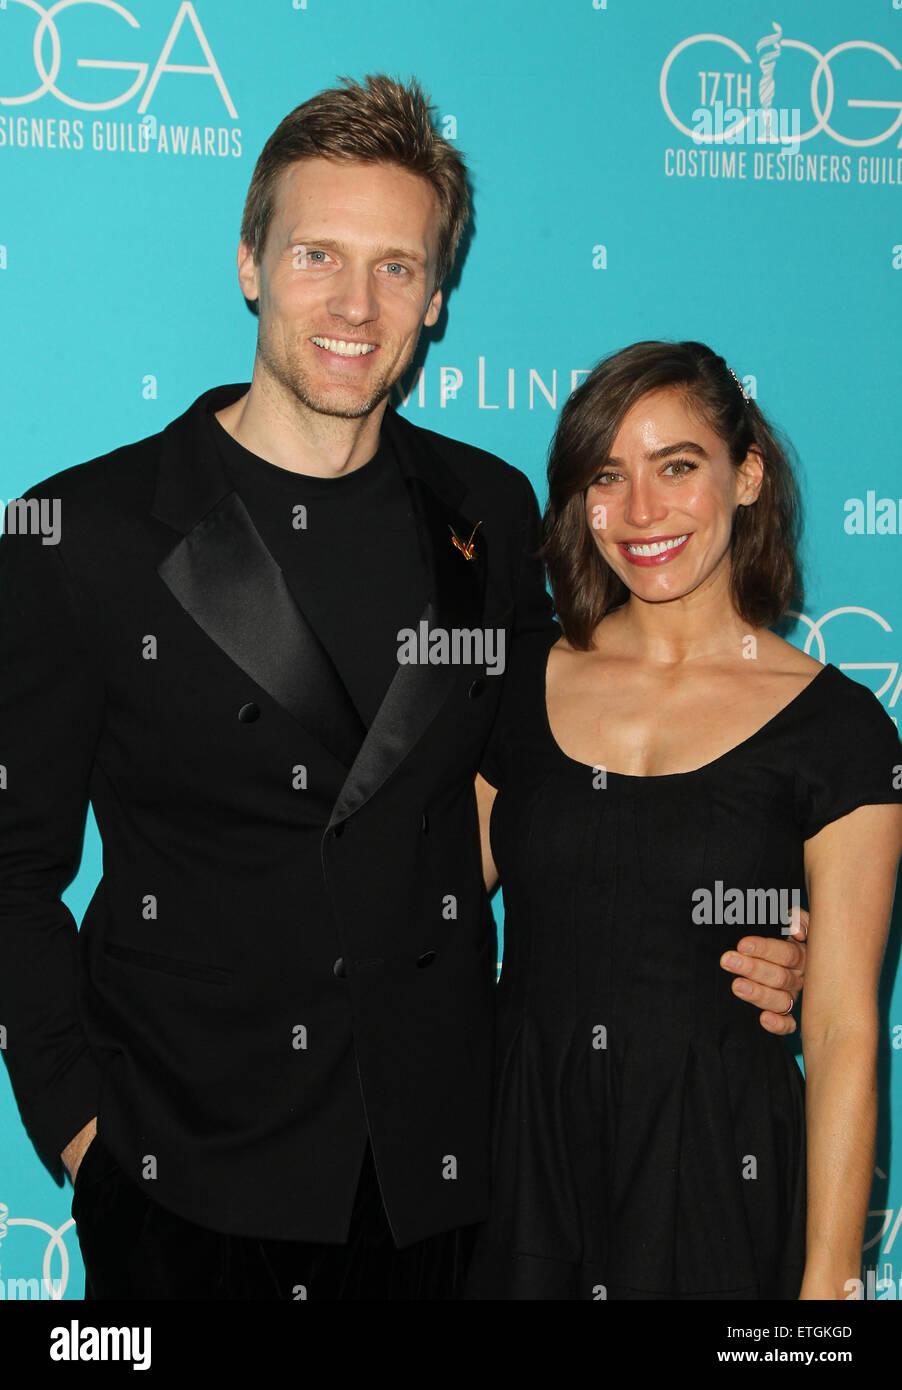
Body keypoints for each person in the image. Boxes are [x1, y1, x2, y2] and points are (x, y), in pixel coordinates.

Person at [0, 80, 802, 1300]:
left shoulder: (482, 508)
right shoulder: (86, 533)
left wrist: (726, 930)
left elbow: (553, 787)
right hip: (182, 1172)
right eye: (318, 254)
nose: (353, 305)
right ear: (249, 263)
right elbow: (11, 865)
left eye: (395, 266)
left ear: (435, 298)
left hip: (445, 1173)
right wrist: (80, 1132)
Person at [465, 340, 902, 1301]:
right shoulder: (516, 681)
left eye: (678, 468)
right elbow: (423, 914)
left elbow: (838, 1030)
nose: (642, 513)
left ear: (746, 476)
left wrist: (830, 1283)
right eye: (608, 477)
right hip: (522, 1167)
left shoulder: (840, 731)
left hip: (720, 1174)